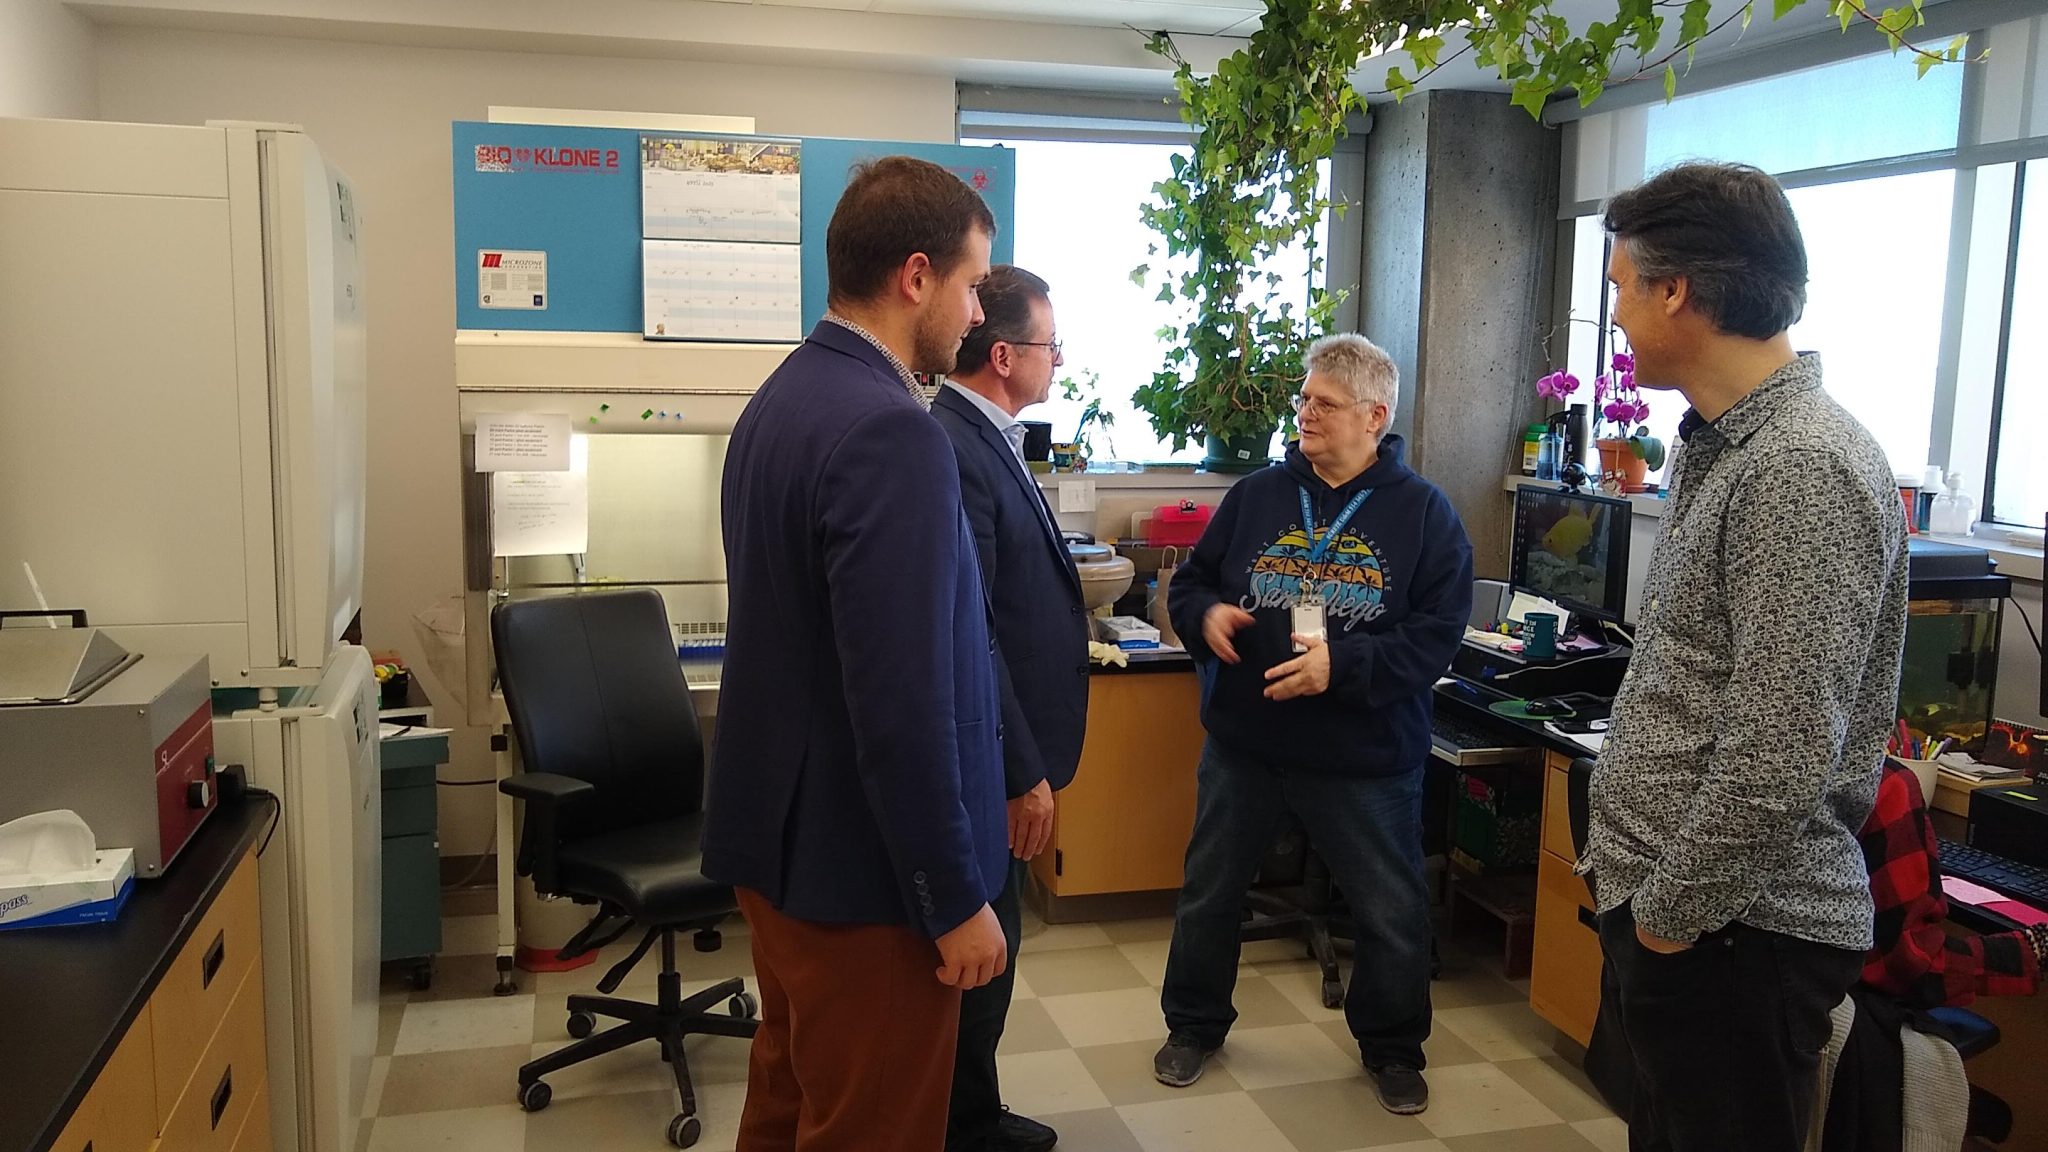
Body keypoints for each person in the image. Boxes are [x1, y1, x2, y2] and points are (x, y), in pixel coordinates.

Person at [1582, 161, 1911, 1152]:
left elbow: (1777, 753)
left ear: (1672, 291)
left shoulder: (1798, 465)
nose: (1616, 318)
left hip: (1732, 932)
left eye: (1618, 291)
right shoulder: (1721, 445)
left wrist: (1670, 919)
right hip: (1688, 917)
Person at [706, 156, 1009, 1152]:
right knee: (869, 1126)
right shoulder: (891, 433)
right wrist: (951, 894)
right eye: (971, 285)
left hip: (782, 855)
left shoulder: (780, 402)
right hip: (865, 883)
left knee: (790, 1103)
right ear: (915, 275)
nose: (976, 316)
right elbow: (900, 702)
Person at [1154, 333, 1473, 1115]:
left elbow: (1435, 637)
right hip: (1247, 744)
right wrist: (1206, 617)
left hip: (1362, 756)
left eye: (1323, 404)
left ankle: (1393, 1048)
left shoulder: (1426, 514)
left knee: (1390, 909)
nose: (1304, 414)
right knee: (1208, 892)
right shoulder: (1260, 493)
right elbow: (1190, 583)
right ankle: (1194, 1025)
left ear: (1375, 415)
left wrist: (1345, 668)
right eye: (1303, 399)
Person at [930, 265, 1090, 1152]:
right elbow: (974, 631)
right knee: (985, 952)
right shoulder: (955, 444)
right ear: (1003, 355)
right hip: (990, 756)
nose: (1058, 360)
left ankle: (973, 1112)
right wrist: (1019, 769)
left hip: (1004, 748)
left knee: (999, 948)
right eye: (1049, 345)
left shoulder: (995, 436)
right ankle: (959, 1126)